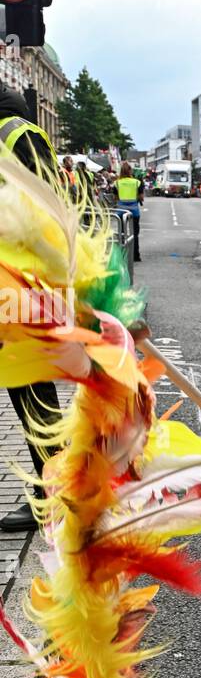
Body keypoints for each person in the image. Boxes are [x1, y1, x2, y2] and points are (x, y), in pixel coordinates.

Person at [0, 83, 63, 533]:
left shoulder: (16, 134)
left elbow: (52, 209)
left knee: (35, 398)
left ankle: (56, 496)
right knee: (27, 396)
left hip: (26, 290)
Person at [115, 160, 144, 262]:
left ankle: (122, 255)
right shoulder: (137, 182)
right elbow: (141, 197)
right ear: (130, 171)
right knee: (135, 234)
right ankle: (136, 255)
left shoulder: (117, 183)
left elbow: (115, 197)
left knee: (121, 234)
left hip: (120, 211)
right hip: (134, 211)